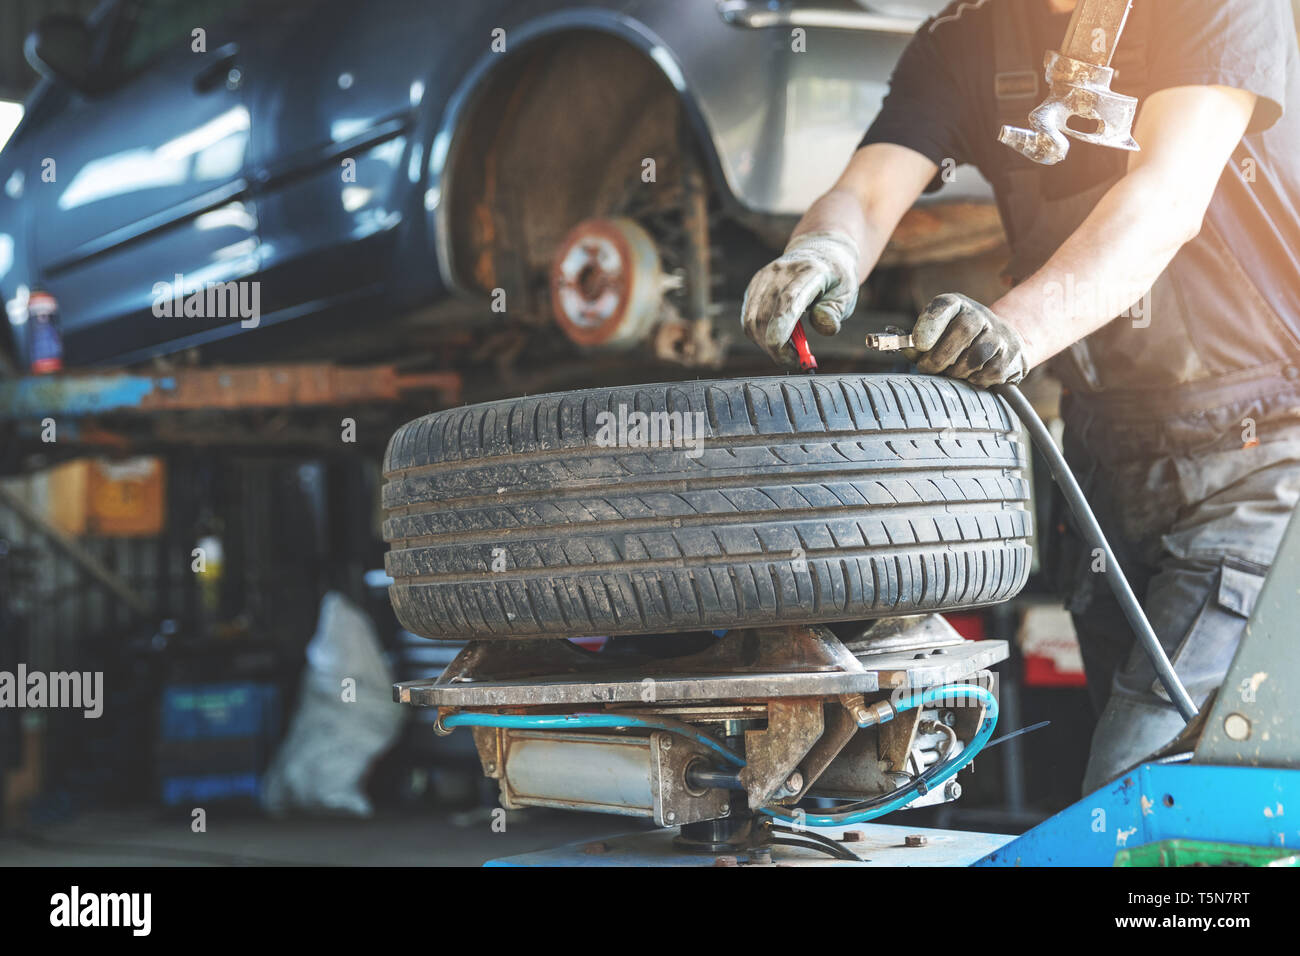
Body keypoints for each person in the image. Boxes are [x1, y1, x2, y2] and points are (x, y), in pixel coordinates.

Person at [741, 0, 1300, 791]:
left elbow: (1167, 199)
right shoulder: (968, 36)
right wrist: (823, 249)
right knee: (1130, 792)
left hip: (1262, 464)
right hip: (1103, 476)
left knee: (1143, 790)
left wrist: (1015, 329)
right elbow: (869, 191)